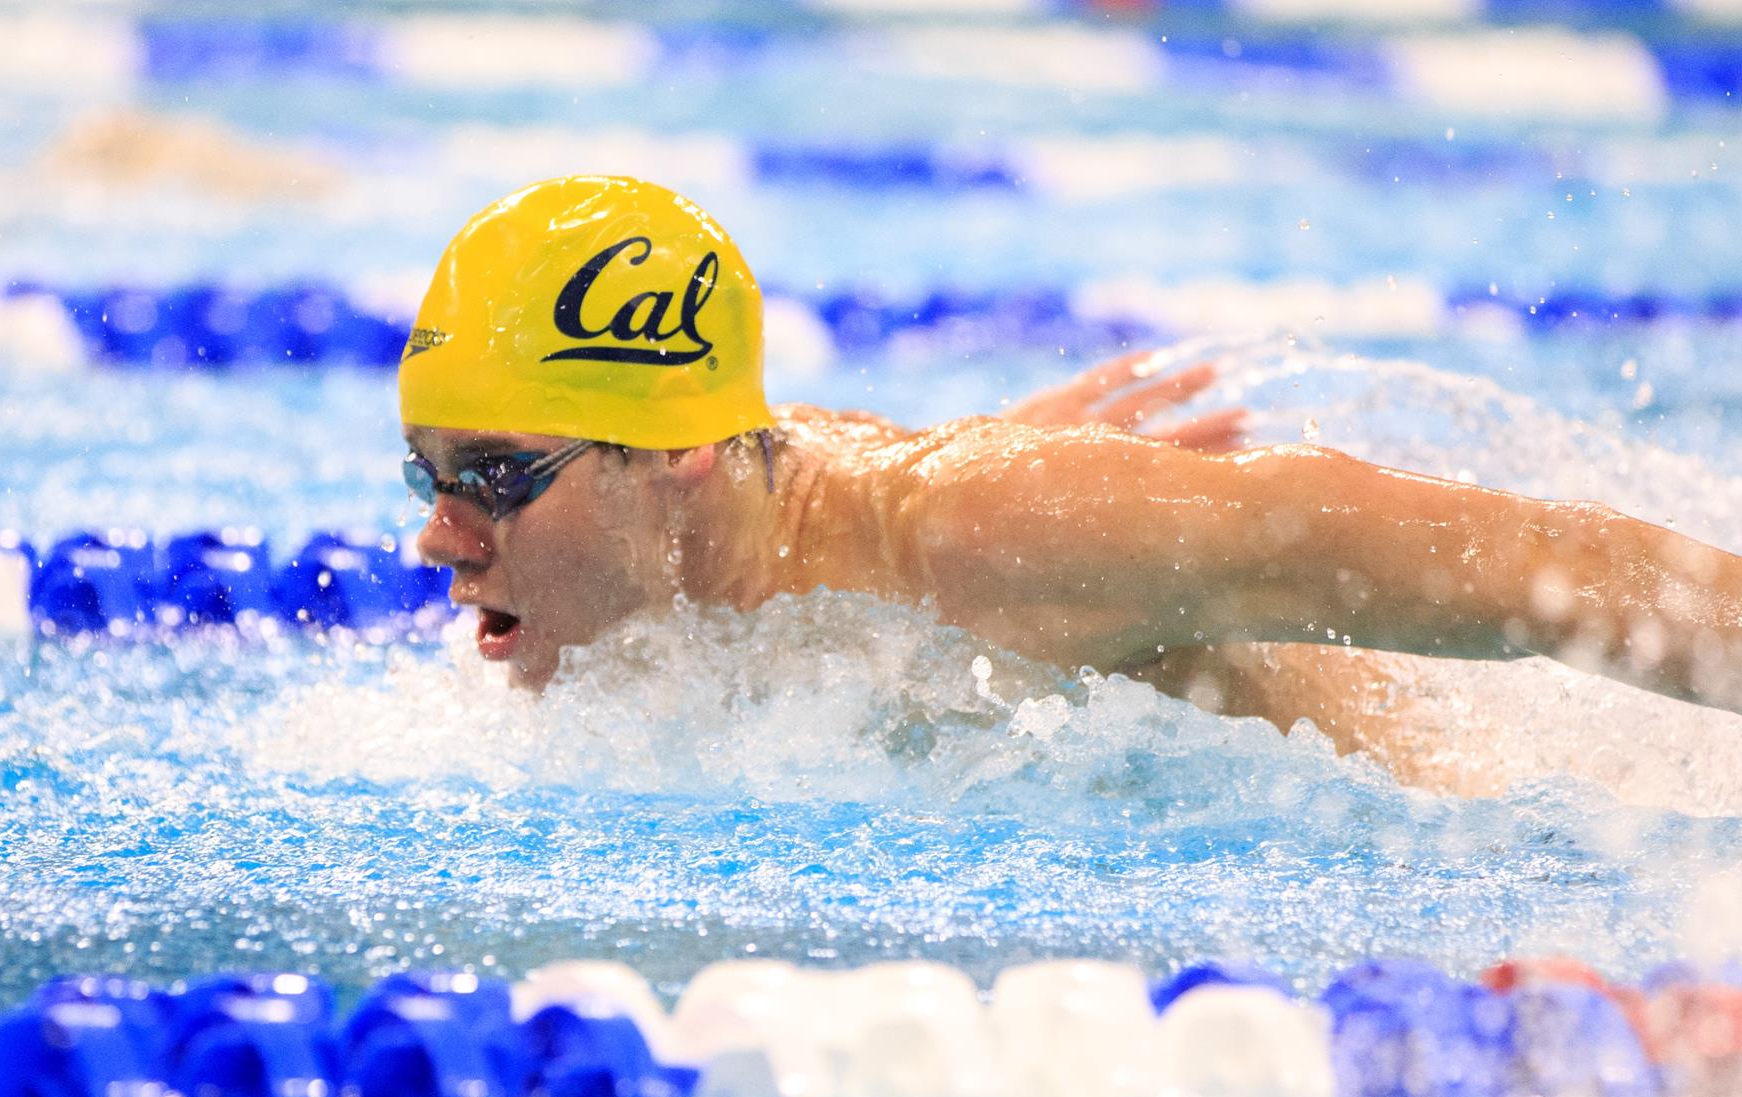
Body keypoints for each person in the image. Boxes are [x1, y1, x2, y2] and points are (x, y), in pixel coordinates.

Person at [398, 175, 1742, 772]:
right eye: (430, 477)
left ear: (677, 458)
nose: (439, 540)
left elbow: (1543, 570)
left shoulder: (992, 532)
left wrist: (1035, 504)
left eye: (500, 479)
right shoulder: (707, 525)